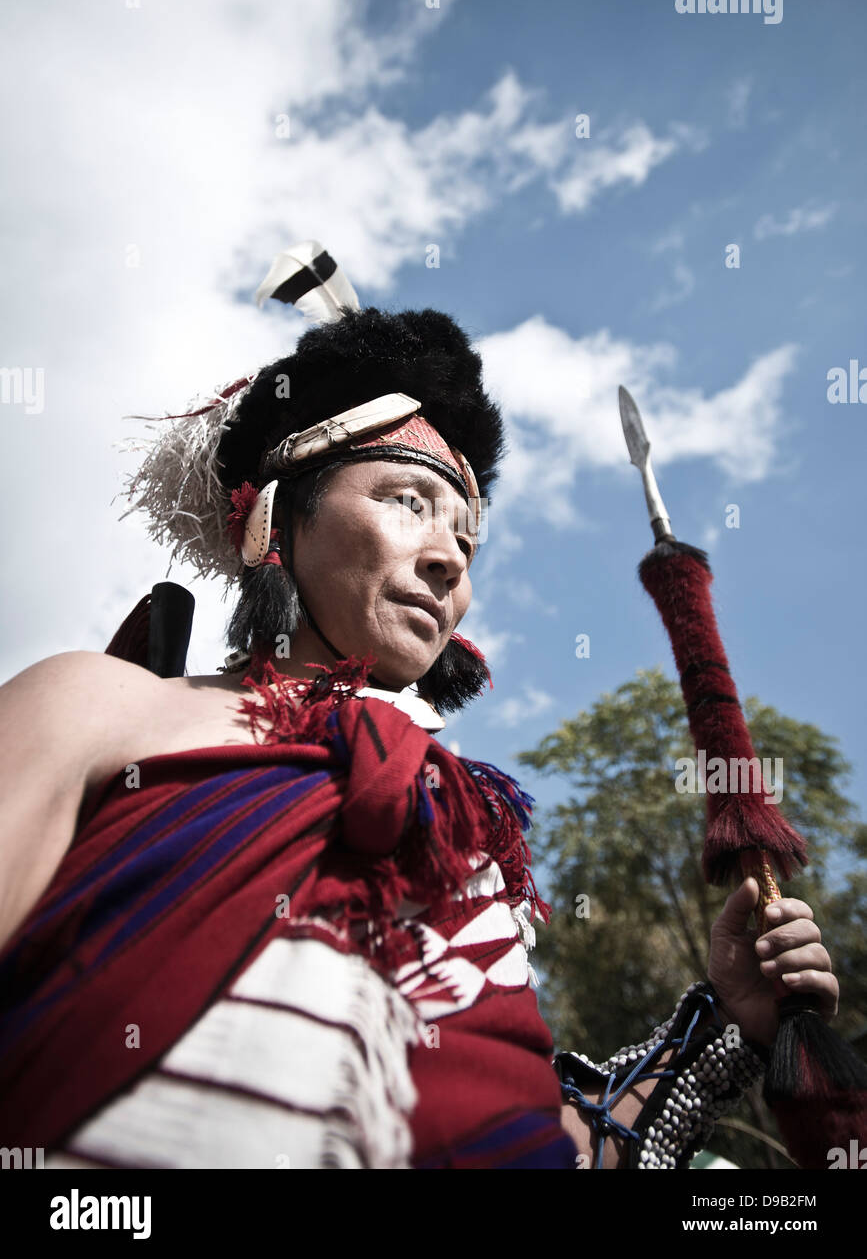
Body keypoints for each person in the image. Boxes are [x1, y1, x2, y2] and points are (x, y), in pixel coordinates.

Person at [0, 292, 839, 1170]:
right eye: (406, 501)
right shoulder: (96, 707)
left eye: (465, 542)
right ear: (273, 521)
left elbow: (532, 1142)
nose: (447, 558)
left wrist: (724, 1028)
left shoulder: (471, 837)